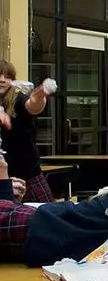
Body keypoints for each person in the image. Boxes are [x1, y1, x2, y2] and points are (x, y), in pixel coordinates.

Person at [0, 61, 56, 203]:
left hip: (27, 176)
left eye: (7, 76)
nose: (2, 80)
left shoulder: (17, 99)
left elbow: (32, 106)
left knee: (43, 219)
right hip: (2, 179)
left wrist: (40, 94)